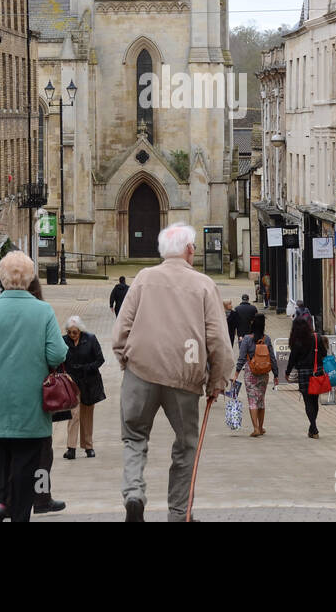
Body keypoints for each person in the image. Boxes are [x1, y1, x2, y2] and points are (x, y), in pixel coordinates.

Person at [112, 223, 234, 522]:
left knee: (134, 437)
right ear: (190, 249)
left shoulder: (143, 278)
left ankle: (134, 494)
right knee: (186, 444)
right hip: (185, 376)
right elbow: (219, 339)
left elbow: (121, 330)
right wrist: (218, 380)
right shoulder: (204, 285)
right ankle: (179, 513)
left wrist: (124, 358)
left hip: (141, 370)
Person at [0, 251, 67, 522]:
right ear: (30, 278)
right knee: (25, 463)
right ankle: (19, 515)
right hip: (32, 403)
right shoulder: (43, 311)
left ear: (1, 279)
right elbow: (57, 354)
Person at [25, 277, 66, 515]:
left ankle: (6, 500)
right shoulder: (42, 312)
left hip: (5, 398)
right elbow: (58, 353)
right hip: (38, 396)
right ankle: (41, 498)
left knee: (8, 450)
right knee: (42, 452)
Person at [62, 315, 105, 460]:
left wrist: (86, 368)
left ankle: (88, 446)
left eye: (74, 332)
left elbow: (100, 359)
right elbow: (60, 360)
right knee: (74, 414)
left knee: (87, 415)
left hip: (89, 382)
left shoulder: (91, 339)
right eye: (69, 332)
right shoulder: (64, 341)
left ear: (80, 330)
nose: (71, 335)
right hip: (72, 382)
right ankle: (71, 448)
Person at [233, 313, 279, 437]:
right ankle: (261, 426)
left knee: (252, 400)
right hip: (264, 373)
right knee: (261, 400)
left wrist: (236, 373)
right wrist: (276, 374)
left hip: (251, 372)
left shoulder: (247, 339)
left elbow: (242, 358)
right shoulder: (267, 339)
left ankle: (256, 428)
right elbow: (272, 358)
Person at [285, 312, 327, 438]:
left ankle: (313, 428)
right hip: (317, 371)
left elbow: (292, 358)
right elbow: (324, 353)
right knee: (314, 400)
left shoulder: (296, 342)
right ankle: (312, 428)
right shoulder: (317, 337)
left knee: (307, 401)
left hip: (303, 373)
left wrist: (287, 372)